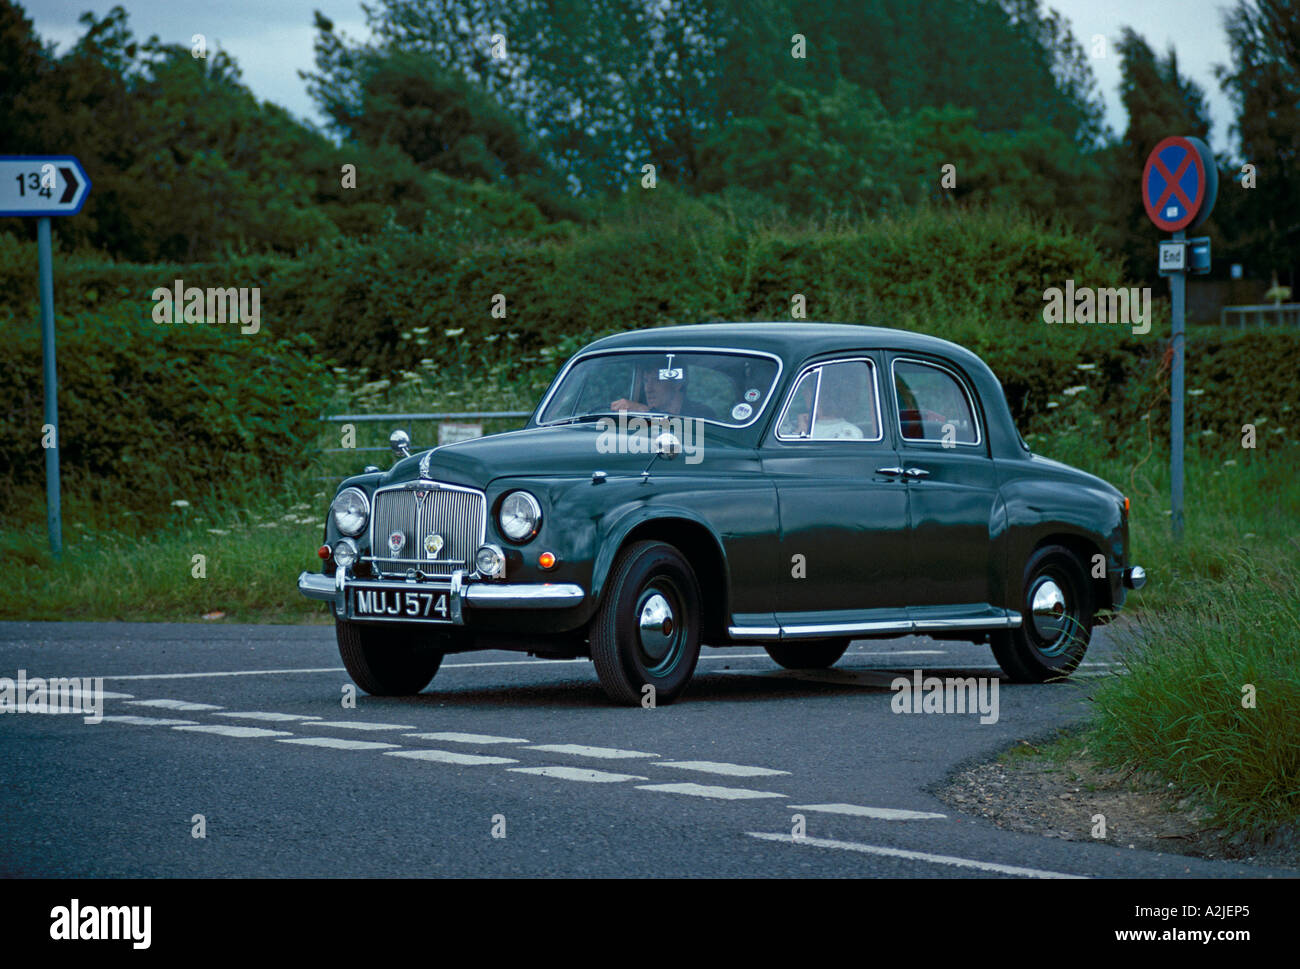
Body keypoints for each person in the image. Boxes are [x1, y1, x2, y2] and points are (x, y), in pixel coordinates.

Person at [611, 363, 717, 420]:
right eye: (646, 381)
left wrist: (646, 412)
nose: (648, 389)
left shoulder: (702, 414)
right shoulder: (639, 418)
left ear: (678, 383)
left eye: (657, 380)